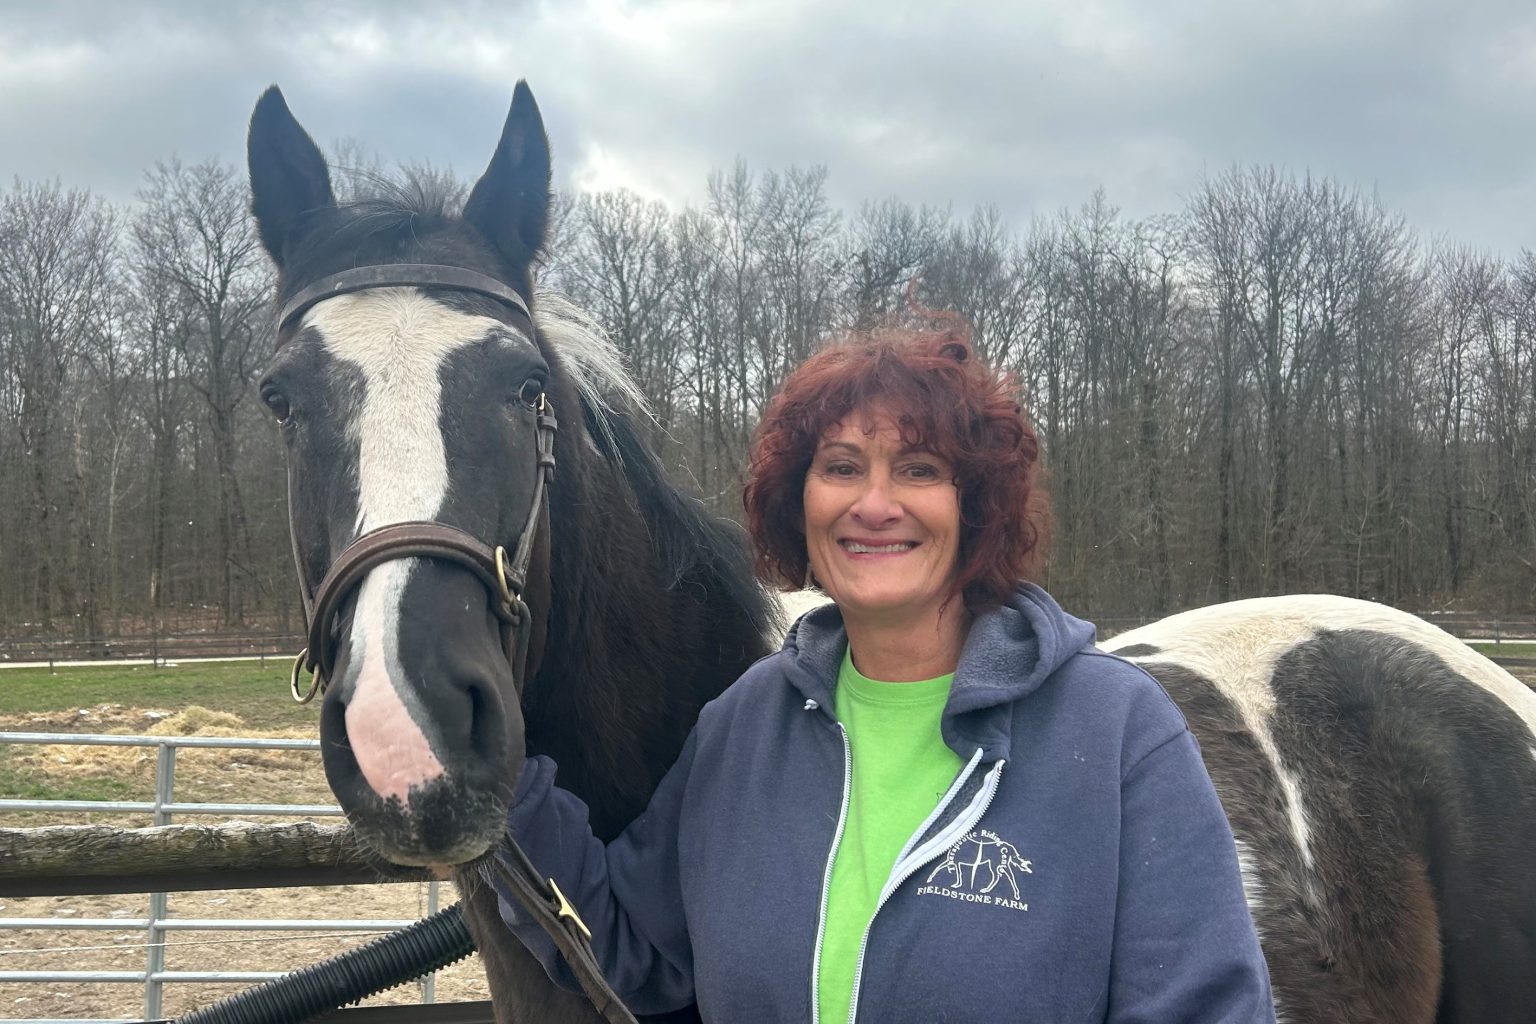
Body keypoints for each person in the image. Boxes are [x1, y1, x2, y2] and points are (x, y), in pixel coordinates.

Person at [496, 319, 1275, 1022]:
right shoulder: (744, 725)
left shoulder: (1118, 731)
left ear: (976, 506)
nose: (874, 505)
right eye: (841, 467)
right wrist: (497, 775)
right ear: (798, 501)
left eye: (919, 469)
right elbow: (633, 944)